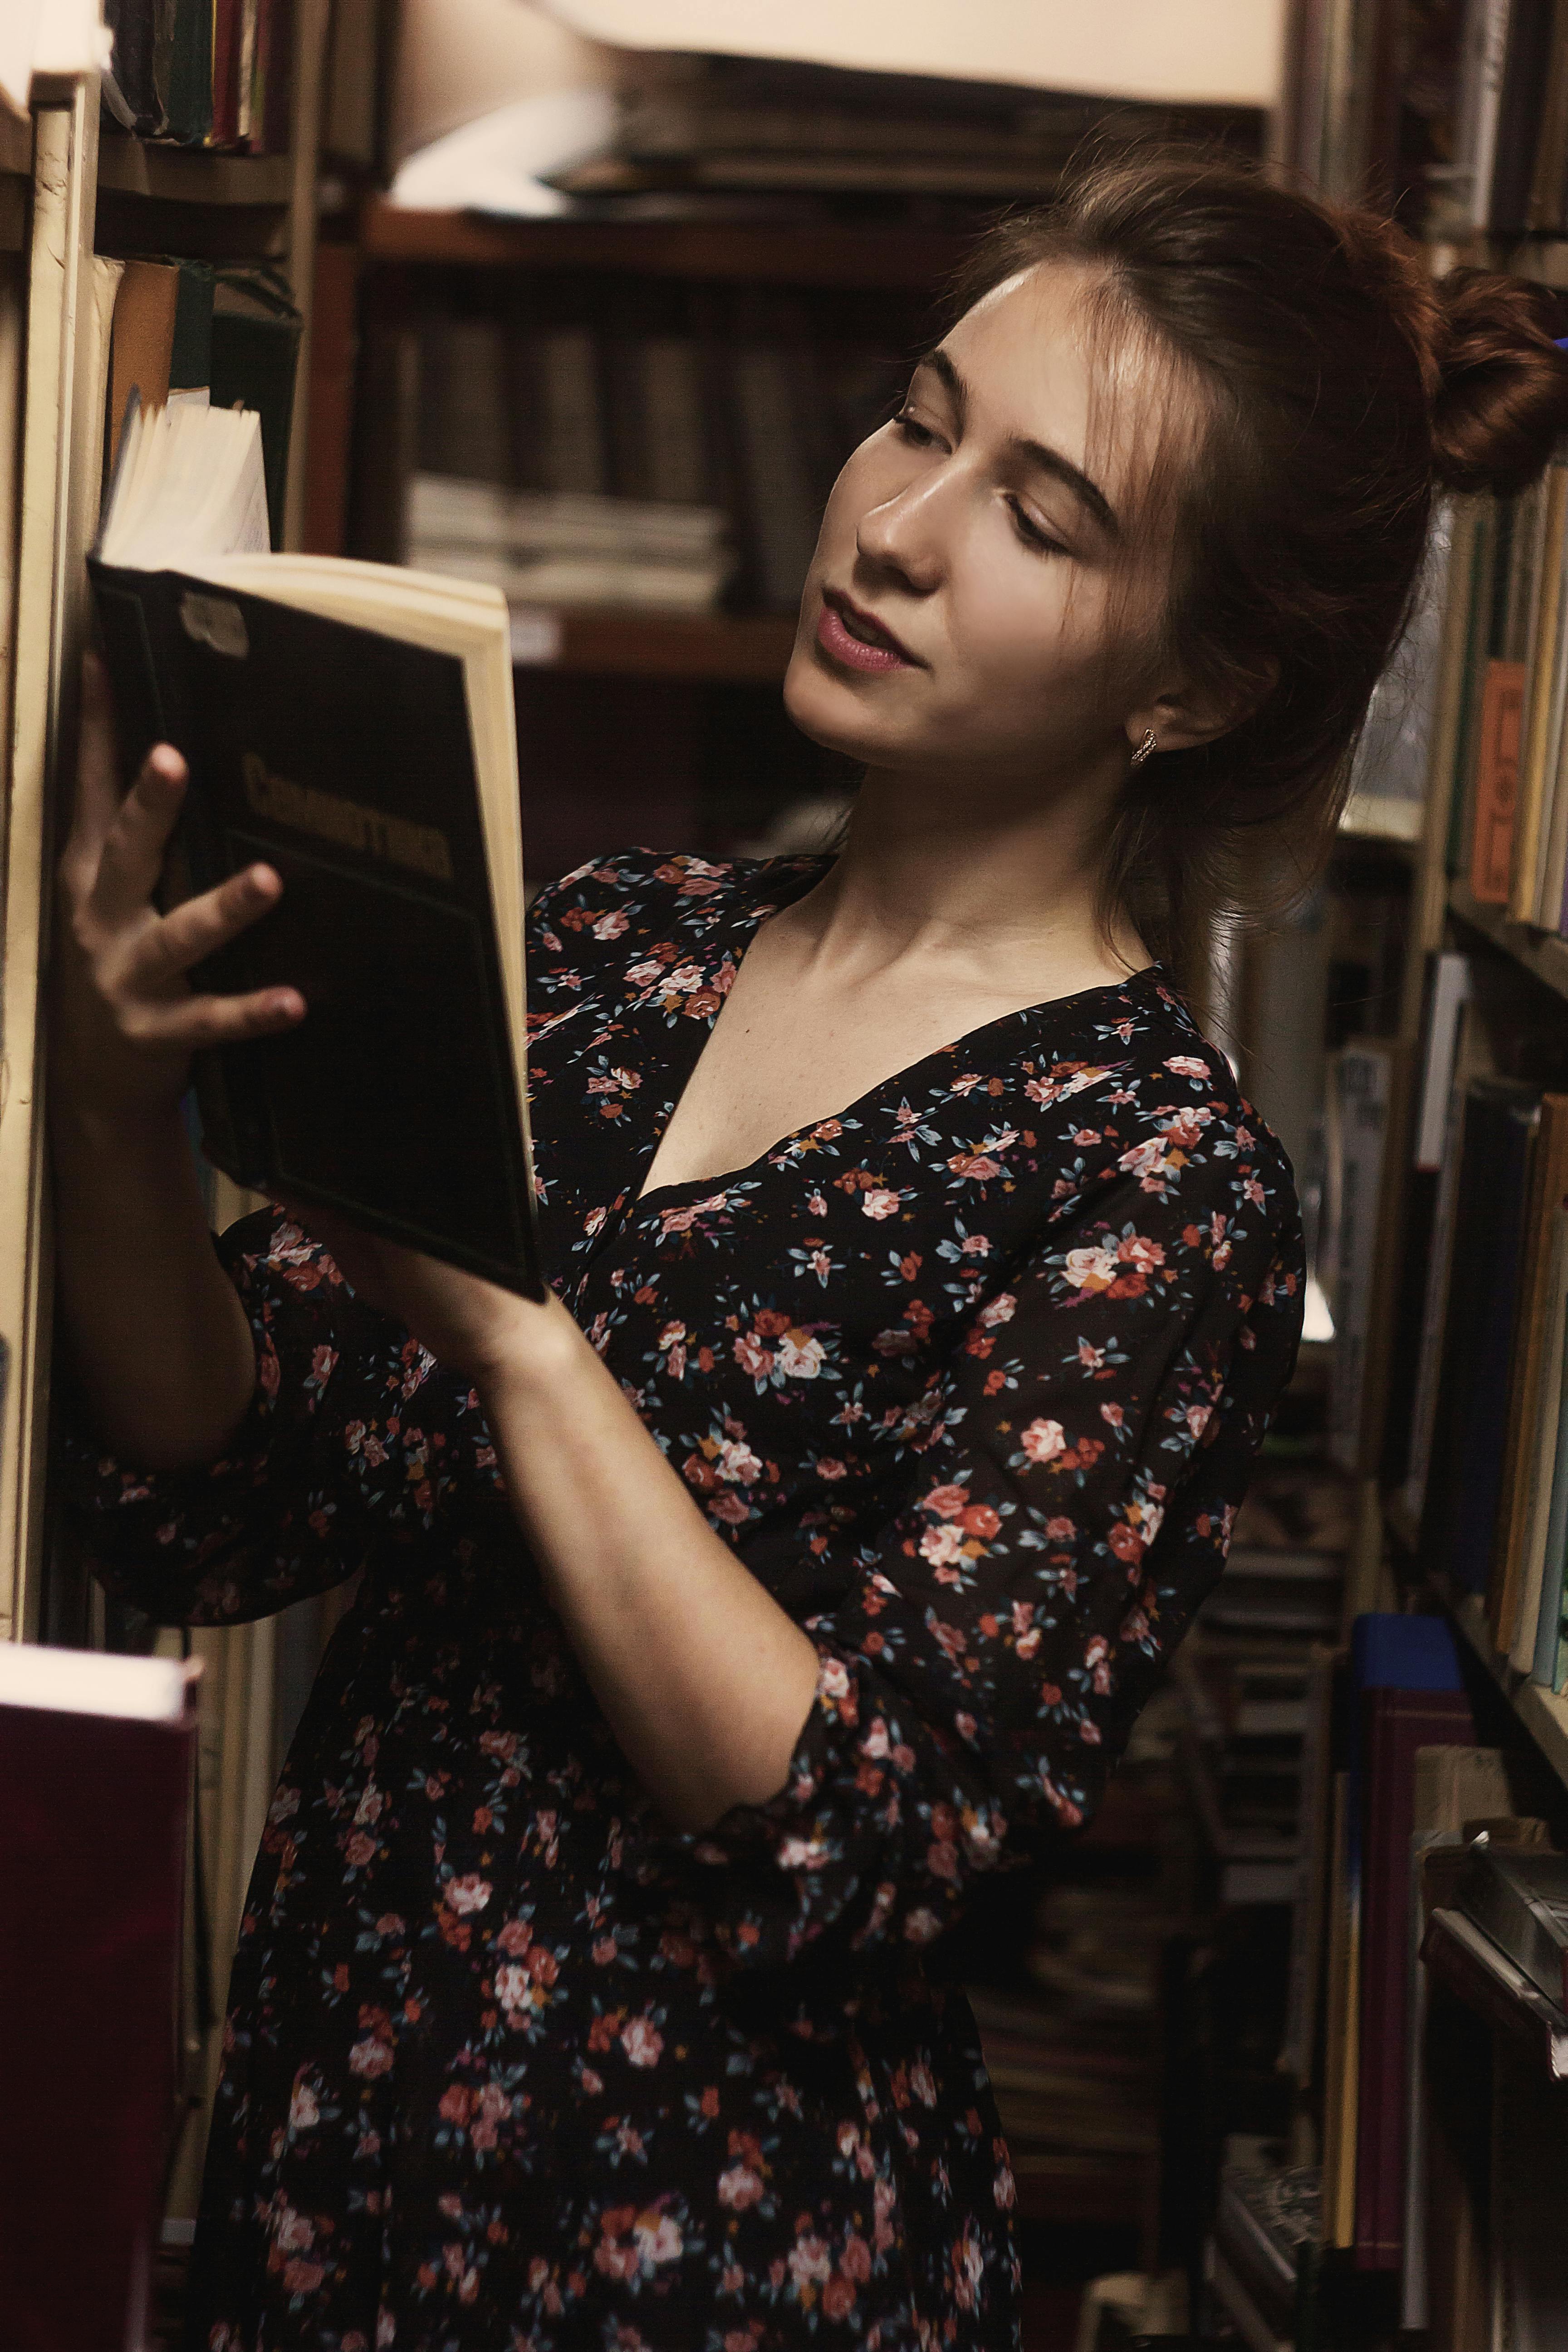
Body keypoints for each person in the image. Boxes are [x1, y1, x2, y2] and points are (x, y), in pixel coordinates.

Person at [49, 148, 1565, 2351]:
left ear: (1195, 684)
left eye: (1043, 519)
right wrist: (112, 1103)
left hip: (718, 2260)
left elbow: (852, 1834)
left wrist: (528, 1351)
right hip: (330, 2177)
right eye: (921, 416)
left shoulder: (1152, 1185)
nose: (900, 527)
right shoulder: (618, 949)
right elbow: (226, 1481)